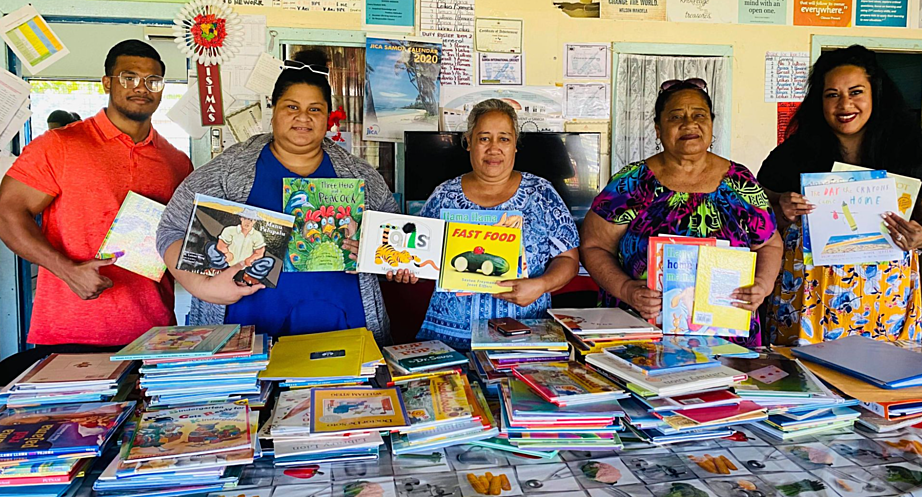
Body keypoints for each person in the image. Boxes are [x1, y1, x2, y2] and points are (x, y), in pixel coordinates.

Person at [157, 49, 412, 344]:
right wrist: (203, 286)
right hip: (246, 327)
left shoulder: (360, 175)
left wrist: (391, 261)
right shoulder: (229, 169)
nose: (303, 117)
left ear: (328, 116)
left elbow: (395, 237)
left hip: (344, 324)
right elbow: (170, 229)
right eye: (291, 107)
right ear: (273, 109)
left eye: (315, 109)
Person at [0, 40, 192, 383]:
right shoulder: (61, 145)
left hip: (153, 337)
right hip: (69, 335)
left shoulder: (176, 161)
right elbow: (7, 212)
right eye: (129, 77)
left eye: (153, 81)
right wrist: (67, 269)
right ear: (107, 82)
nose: (141, 88)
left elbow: (180, 242)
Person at [757, 45, 922, 345]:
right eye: (832, 94)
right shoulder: (793, 154)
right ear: (819, 101)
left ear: (876, 94)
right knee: (806, 383)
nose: (845, 104)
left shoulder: (913, 152)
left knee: (882, 380)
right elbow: (757, 215)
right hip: (807, 303)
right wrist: (781, 210)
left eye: (856, 92)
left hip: (886, 301)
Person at [580, 79, 782, 348]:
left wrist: (763, 285)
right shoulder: (633, 183)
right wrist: (626, 289)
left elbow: (770, 242)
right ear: (658, 129)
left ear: (711, 124)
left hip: (726, 337)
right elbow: (594, 246)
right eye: (676, 116)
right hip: (640, 334)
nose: (689, 124)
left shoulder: (739, 182)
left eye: (699, 115)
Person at [416, 99, 580, 350]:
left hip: (524, 332)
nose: (494, 148)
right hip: (449, 339)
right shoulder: (444, 196)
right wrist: (406, 269)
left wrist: (540, 285)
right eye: (484, 138)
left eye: (503, 139)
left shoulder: (541, 193)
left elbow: (569, 260)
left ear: (515, 145)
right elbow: (417, 257)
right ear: (468, 142)